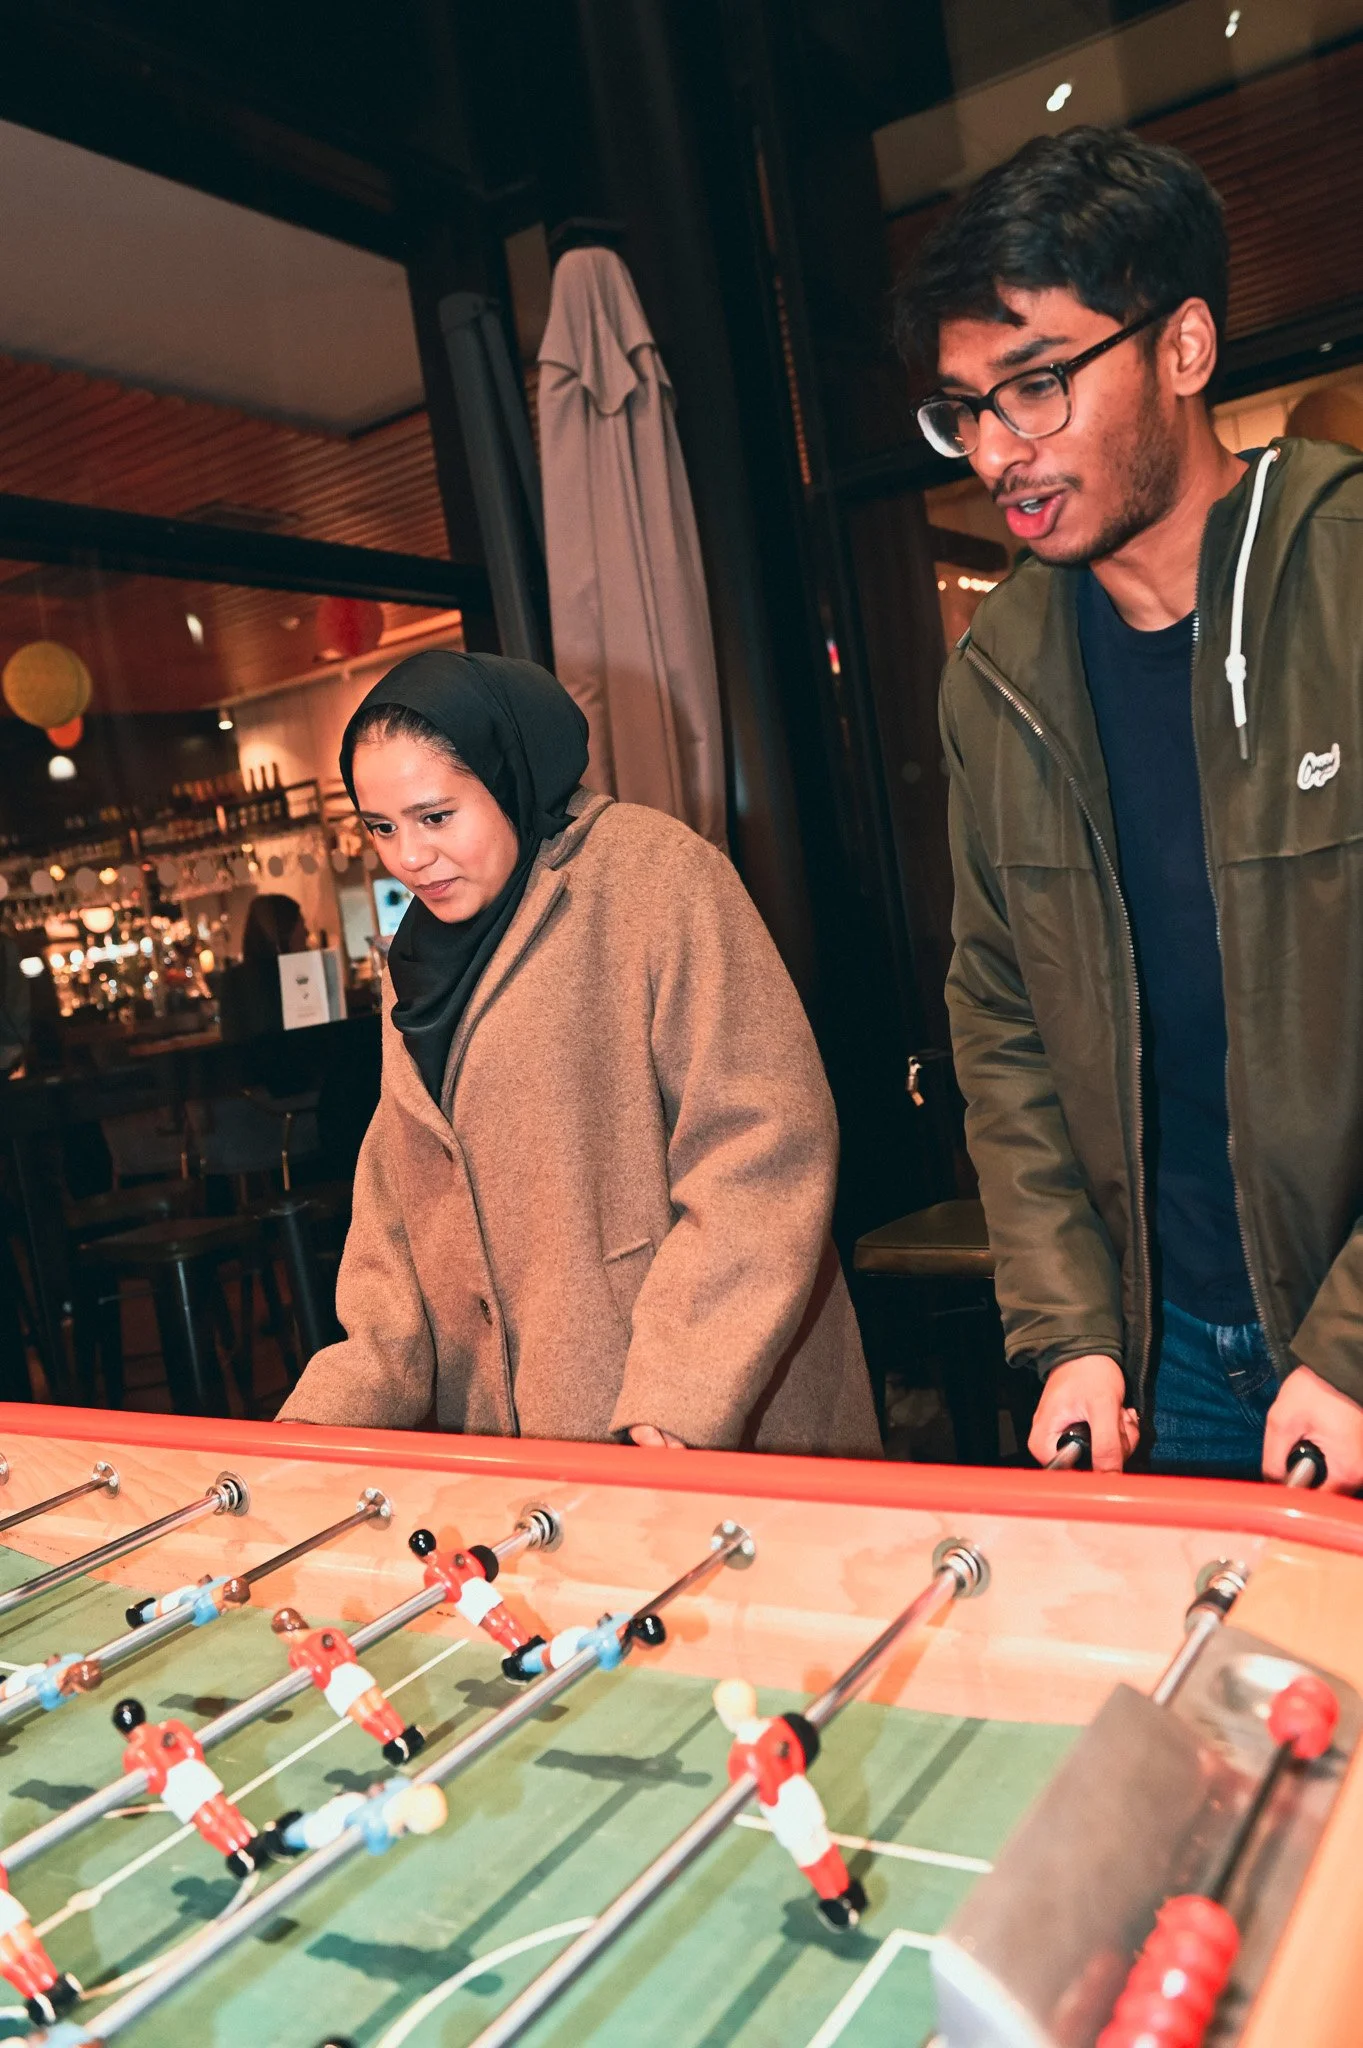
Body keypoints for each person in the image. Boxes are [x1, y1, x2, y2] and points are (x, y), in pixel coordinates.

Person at [895, 125, 1363, 1490]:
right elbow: (1001, 1024)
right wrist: (1071, 1334)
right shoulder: (995, 682)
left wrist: (1345, 1344)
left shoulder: (1346, 583)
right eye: (964, 407)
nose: (995, 451)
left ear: (1181, 349)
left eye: (1034, 385)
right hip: (1162, 1365)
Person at [279, 650, 879, 1455]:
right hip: (514, 1431)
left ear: (510, 777)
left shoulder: (656, 877)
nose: (407, 857)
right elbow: (398, 1196)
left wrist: (682, 1386)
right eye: (380, 828)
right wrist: (328, 1411)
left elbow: (761, 1143)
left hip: (701, 1409)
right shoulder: (419, 961)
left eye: (435, 816)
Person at [217, 894, 308, 1042]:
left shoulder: (234, 980)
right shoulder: (298, 976)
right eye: (301, 925)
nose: (306, 933)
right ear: (284, 932)